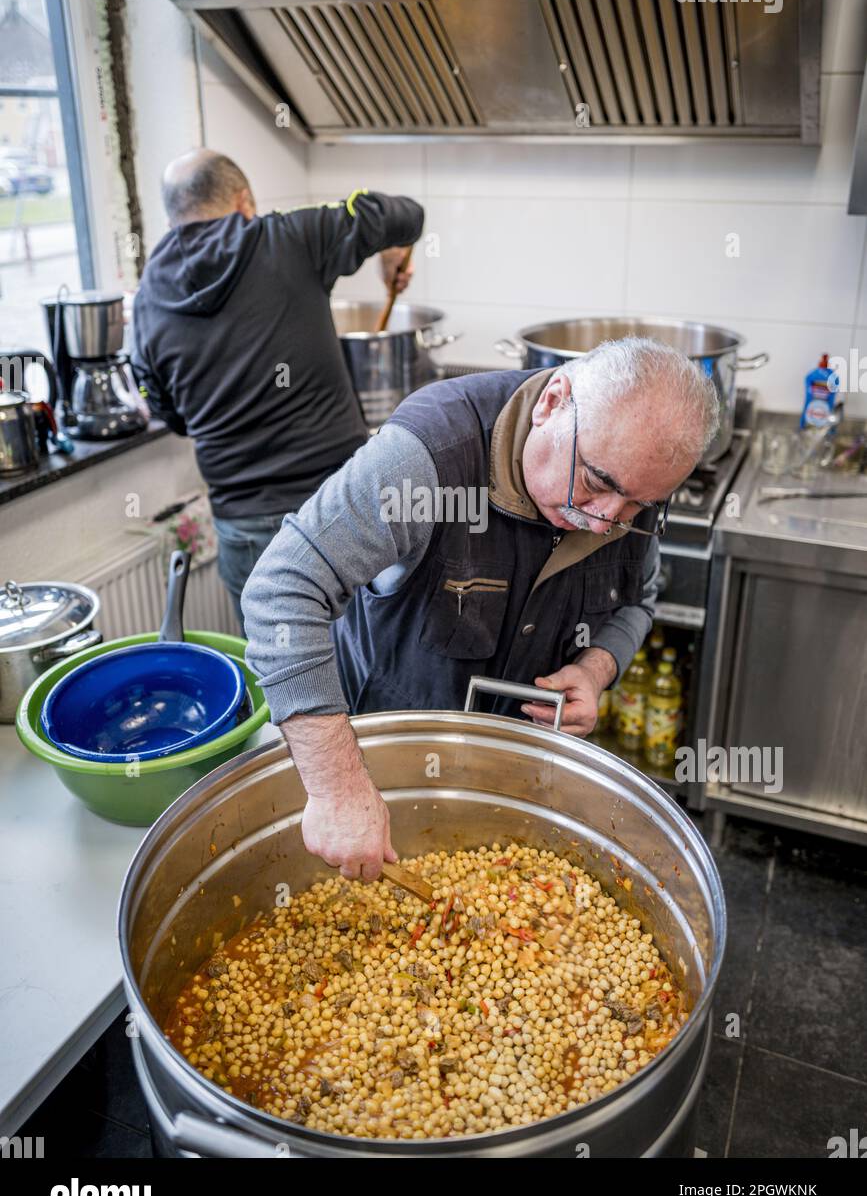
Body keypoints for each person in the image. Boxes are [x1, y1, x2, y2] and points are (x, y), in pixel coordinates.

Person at [242, 337, 719, 880]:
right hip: (378, 775)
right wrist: (337, 787)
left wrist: (596, 667)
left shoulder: (630, 483)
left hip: (516, 781)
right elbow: (280, 589)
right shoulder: (429, 458)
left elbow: (637, 601)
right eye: (596, 484)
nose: (607, 520)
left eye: (638, 505)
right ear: (551, 403)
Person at [130, 148, 424, 623]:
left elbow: (172, 416)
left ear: (173, 216)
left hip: (243, 528)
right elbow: (406, 215)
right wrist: (390, 252)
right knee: (361, 669)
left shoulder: (145, 304)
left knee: (279, 679)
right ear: (245, 201)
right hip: (336, 507)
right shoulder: (290, 236)